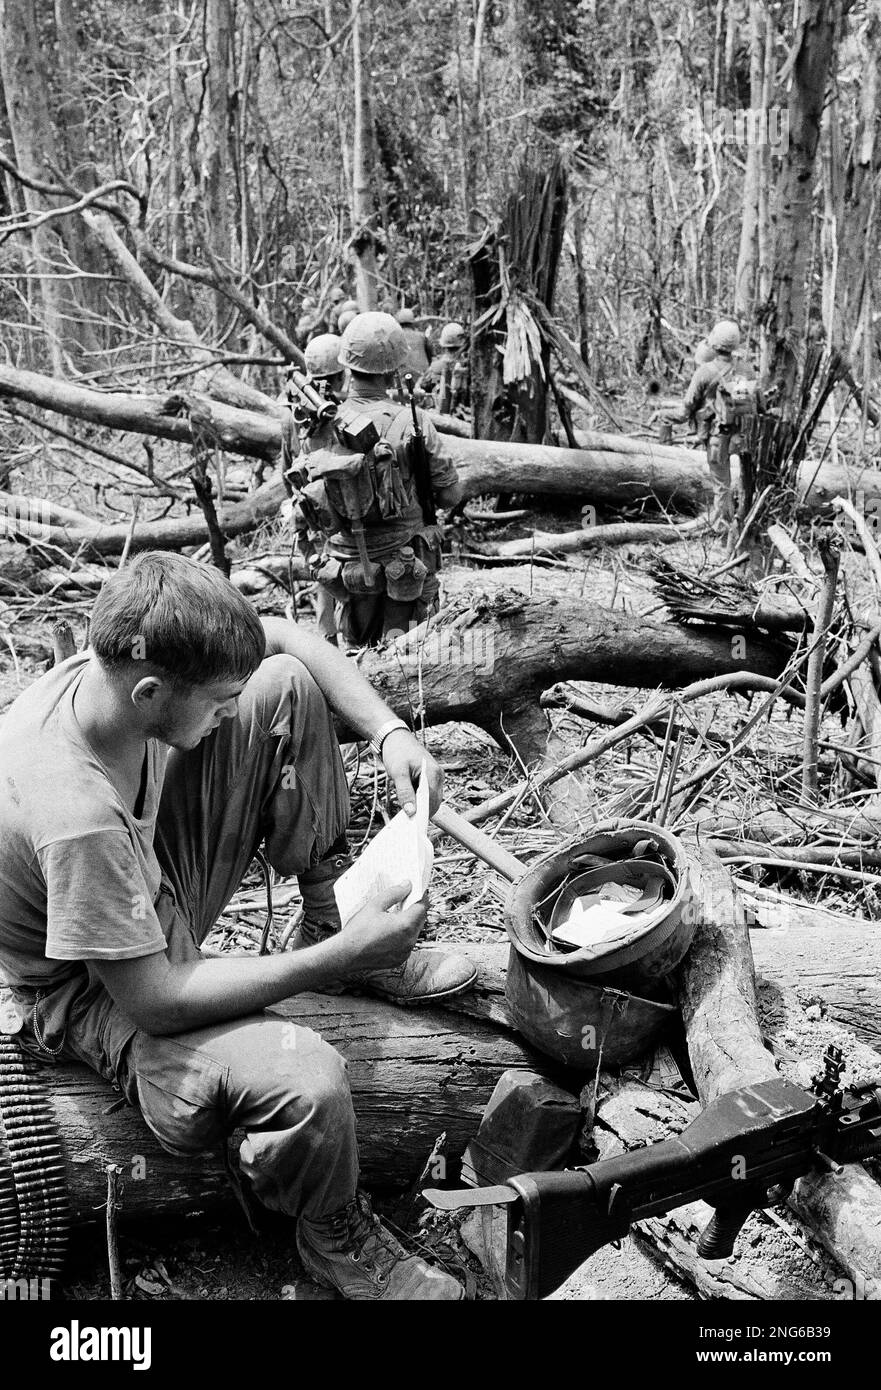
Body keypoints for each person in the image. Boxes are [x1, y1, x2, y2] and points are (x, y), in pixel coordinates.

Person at [0, 554, 476, 1298]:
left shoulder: (122, 684)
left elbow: (288, 643)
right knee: (306, 1078)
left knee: (285, 687)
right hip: (92, 984)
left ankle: (327, 923)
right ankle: (332, 1233)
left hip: (144, 881)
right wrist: (336, 961)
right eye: (220, 699)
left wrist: (388, 734)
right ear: (152, 690)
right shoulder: (75, 816)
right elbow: (155, 999)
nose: (231, 708)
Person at [298, 311, 462, 648]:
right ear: (392, 368)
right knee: (411, 658)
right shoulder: (412, 421)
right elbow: (449, 497)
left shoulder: (322, 425)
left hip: (345, 567)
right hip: (405, 561)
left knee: (360, 656)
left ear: (347, 366)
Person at [289, 334, 347, 644]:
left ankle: (329, 642)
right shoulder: (342, 410)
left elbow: (290, 461)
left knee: (324, 571)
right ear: (342, 373)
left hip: (317, 511)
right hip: (343, 510)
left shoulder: (297, 414)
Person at [682, 319, 756, 526]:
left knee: (722, 484)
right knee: (747, 480)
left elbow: (689, 403)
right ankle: (745, 518)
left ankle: (723, 528)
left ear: (715, 343)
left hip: (719, 436)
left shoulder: (705, 371)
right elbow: (758, 402)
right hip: (744, 435)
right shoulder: (747, 370)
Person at [420, 321, 469, 416]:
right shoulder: (467, 365)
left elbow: (423, 385)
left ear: (443, 345)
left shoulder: (436, 366)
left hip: (441, 412)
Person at [396, 306, 433, 380]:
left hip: (402, 378)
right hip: (422, 378)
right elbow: (430, 355)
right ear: (412, 323)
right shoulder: (422, 336)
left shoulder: (395, 337)